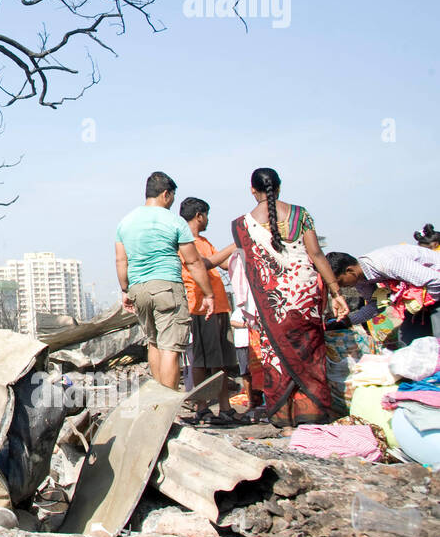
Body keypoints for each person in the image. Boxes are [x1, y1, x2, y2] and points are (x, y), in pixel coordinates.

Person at [231, 168, 348, 428]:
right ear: (280, 186)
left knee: (277, 357)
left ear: (252, 190)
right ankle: (311, 415)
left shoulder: (241, 225)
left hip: (273, 307)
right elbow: (317, 255)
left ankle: (284, 417)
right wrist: (337, 293)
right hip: (305, 300)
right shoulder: (300, 214)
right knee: (309, 356)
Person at [116, 171, 213, 391]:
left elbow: (121, 260)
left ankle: (156, 404)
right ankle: (168, 409)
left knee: (154, 342)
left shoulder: (126, 222)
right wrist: (208, 294)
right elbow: (194, 262)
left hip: (138, 288)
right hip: (167, 287)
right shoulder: (174, 221)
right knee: (171, 347)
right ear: (166, 194)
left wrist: (125, 290)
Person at [178, 197, 241, 422]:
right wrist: (236, 244)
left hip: (219, 306)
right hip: (201, 307)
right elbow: (207, 263)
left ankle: (224, 407)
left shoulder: (203, 241)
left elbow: (221, 263)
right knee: (204, 361)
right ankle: (203, 407)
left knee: (221, 360)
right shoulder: (185, 243)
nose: (207, 220)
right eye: (206, 216)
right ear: (199, 215)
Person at [327, 244, 440, 343]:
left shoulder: (387, 264)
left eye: (339, 282)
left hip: (434, 289)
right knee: (410, 342)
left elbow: (436, 281)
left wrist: (421, 302)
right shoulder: (362, 280)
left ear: (350, 271)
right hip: (425, 296)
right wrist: (348, 321)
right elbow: (377, 304)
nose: (339, 287)